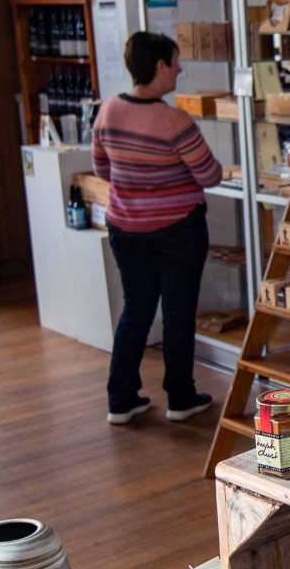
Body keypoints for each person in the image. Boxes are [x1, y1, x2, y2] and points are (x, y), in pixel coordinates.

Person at [91, 31, 223, 425]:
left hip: (125, 229)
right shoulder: (173, 121)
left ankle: (121, 398)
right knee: (178, 313)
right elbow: (210, 173)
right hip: (177, 231)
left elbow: (102, 170)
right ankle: (180, 397)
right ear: (160, 66)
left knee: (135, 309)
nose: (179, 70)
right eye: (175, 62)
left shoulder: (108, 110)